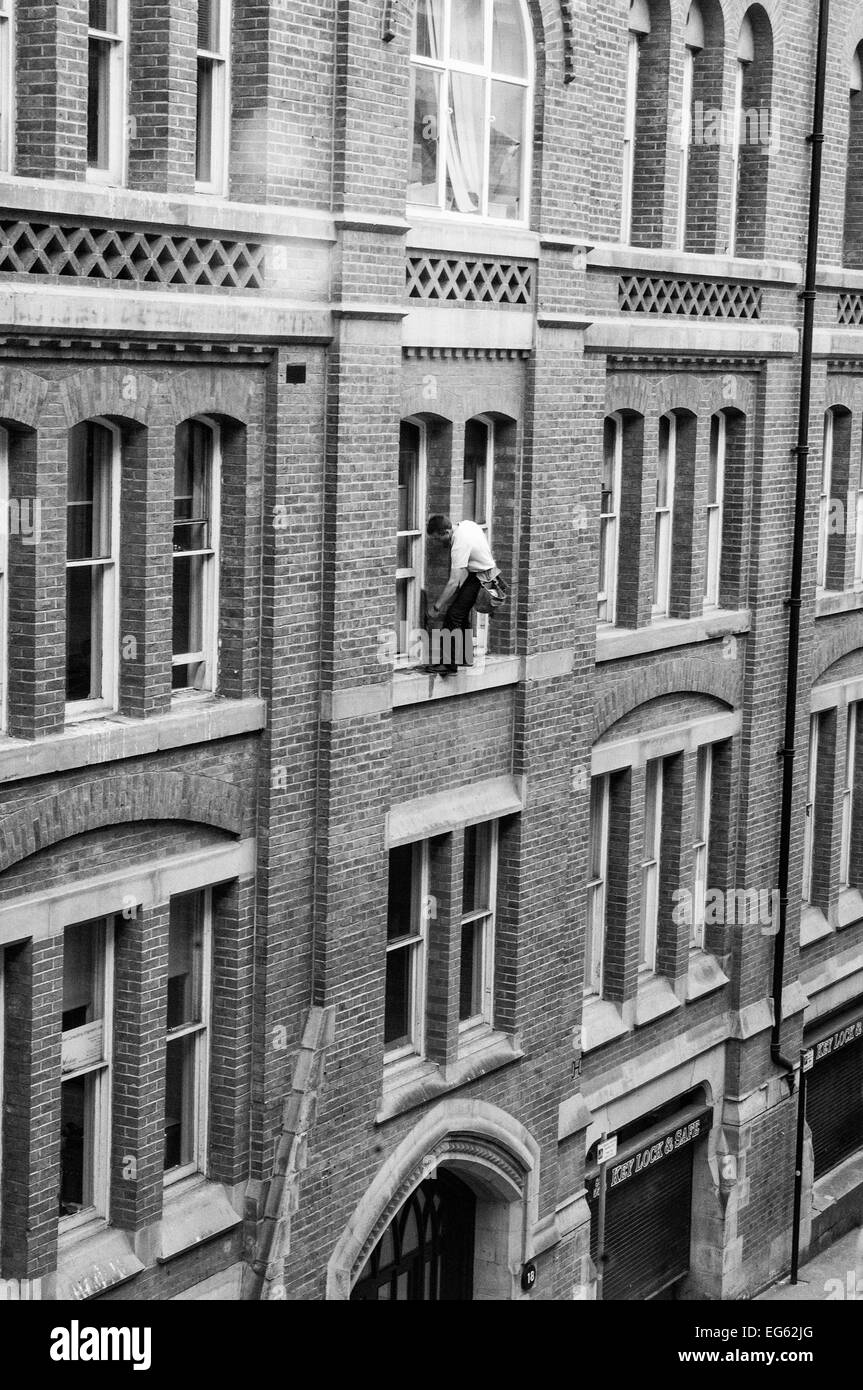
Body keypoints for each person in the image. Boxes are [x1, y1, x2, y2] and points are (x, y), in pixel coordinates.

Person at [425, 514, 501, 674]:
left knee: (452, 616)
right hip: (485, 574)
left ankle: (447, 665)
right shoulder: (466, 525)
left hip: (481, 578)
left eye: (438, 539)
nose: (439, 543)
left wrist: (437, 607)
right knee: (461, 613)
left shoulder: (459, 544)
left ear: (446, 532)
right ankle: (465, 657)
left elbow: (453, 582)